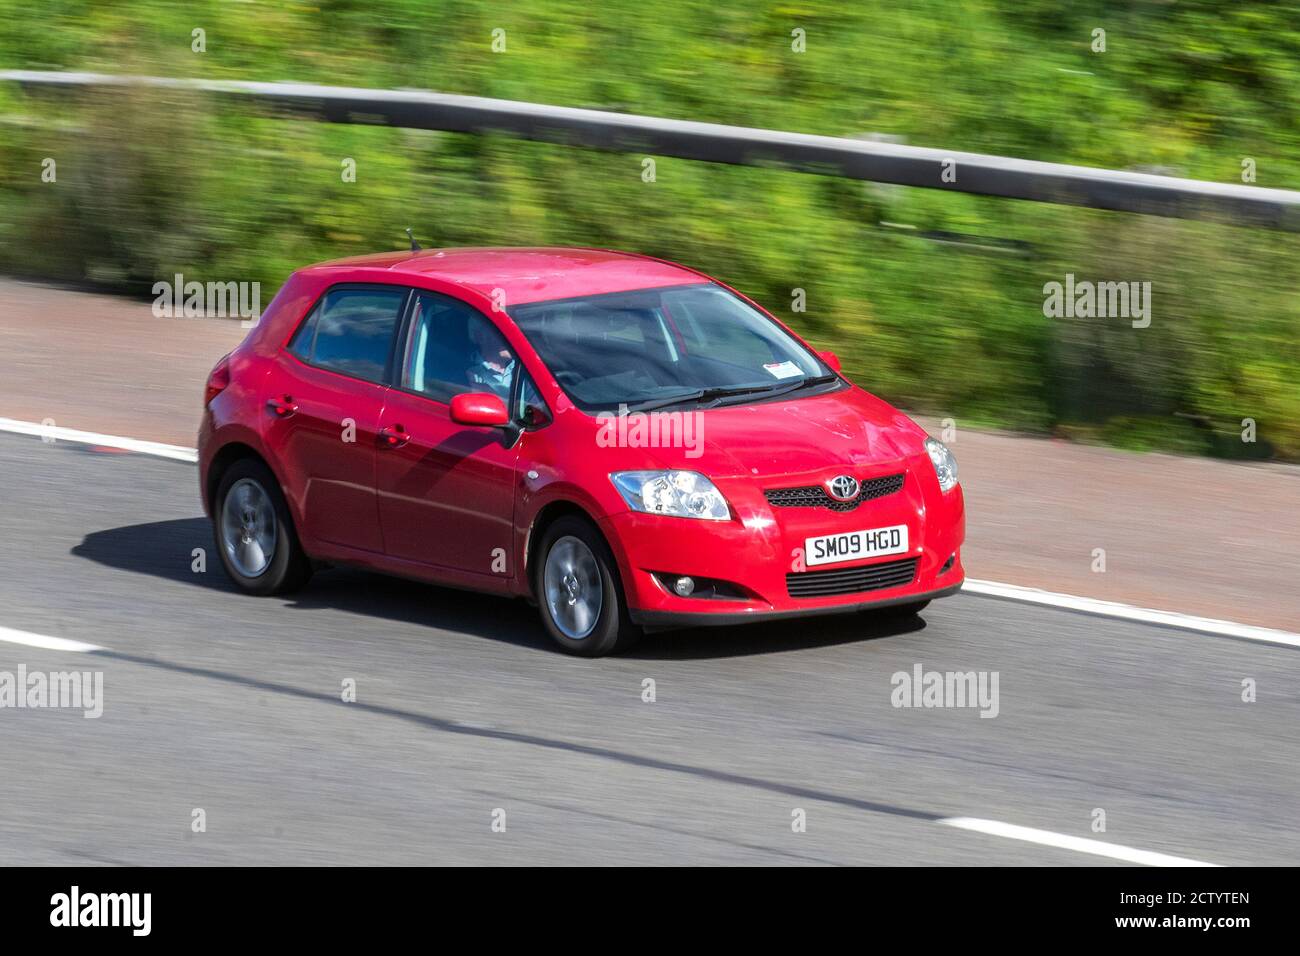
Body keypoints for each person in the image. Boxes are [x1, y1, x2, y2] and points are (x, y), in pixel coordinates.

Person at [466, 320, 515, 398]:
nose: (510, 338)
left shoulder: (524, 364)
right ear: (480, 337)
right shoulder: (469, 374)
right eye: (502, 332)